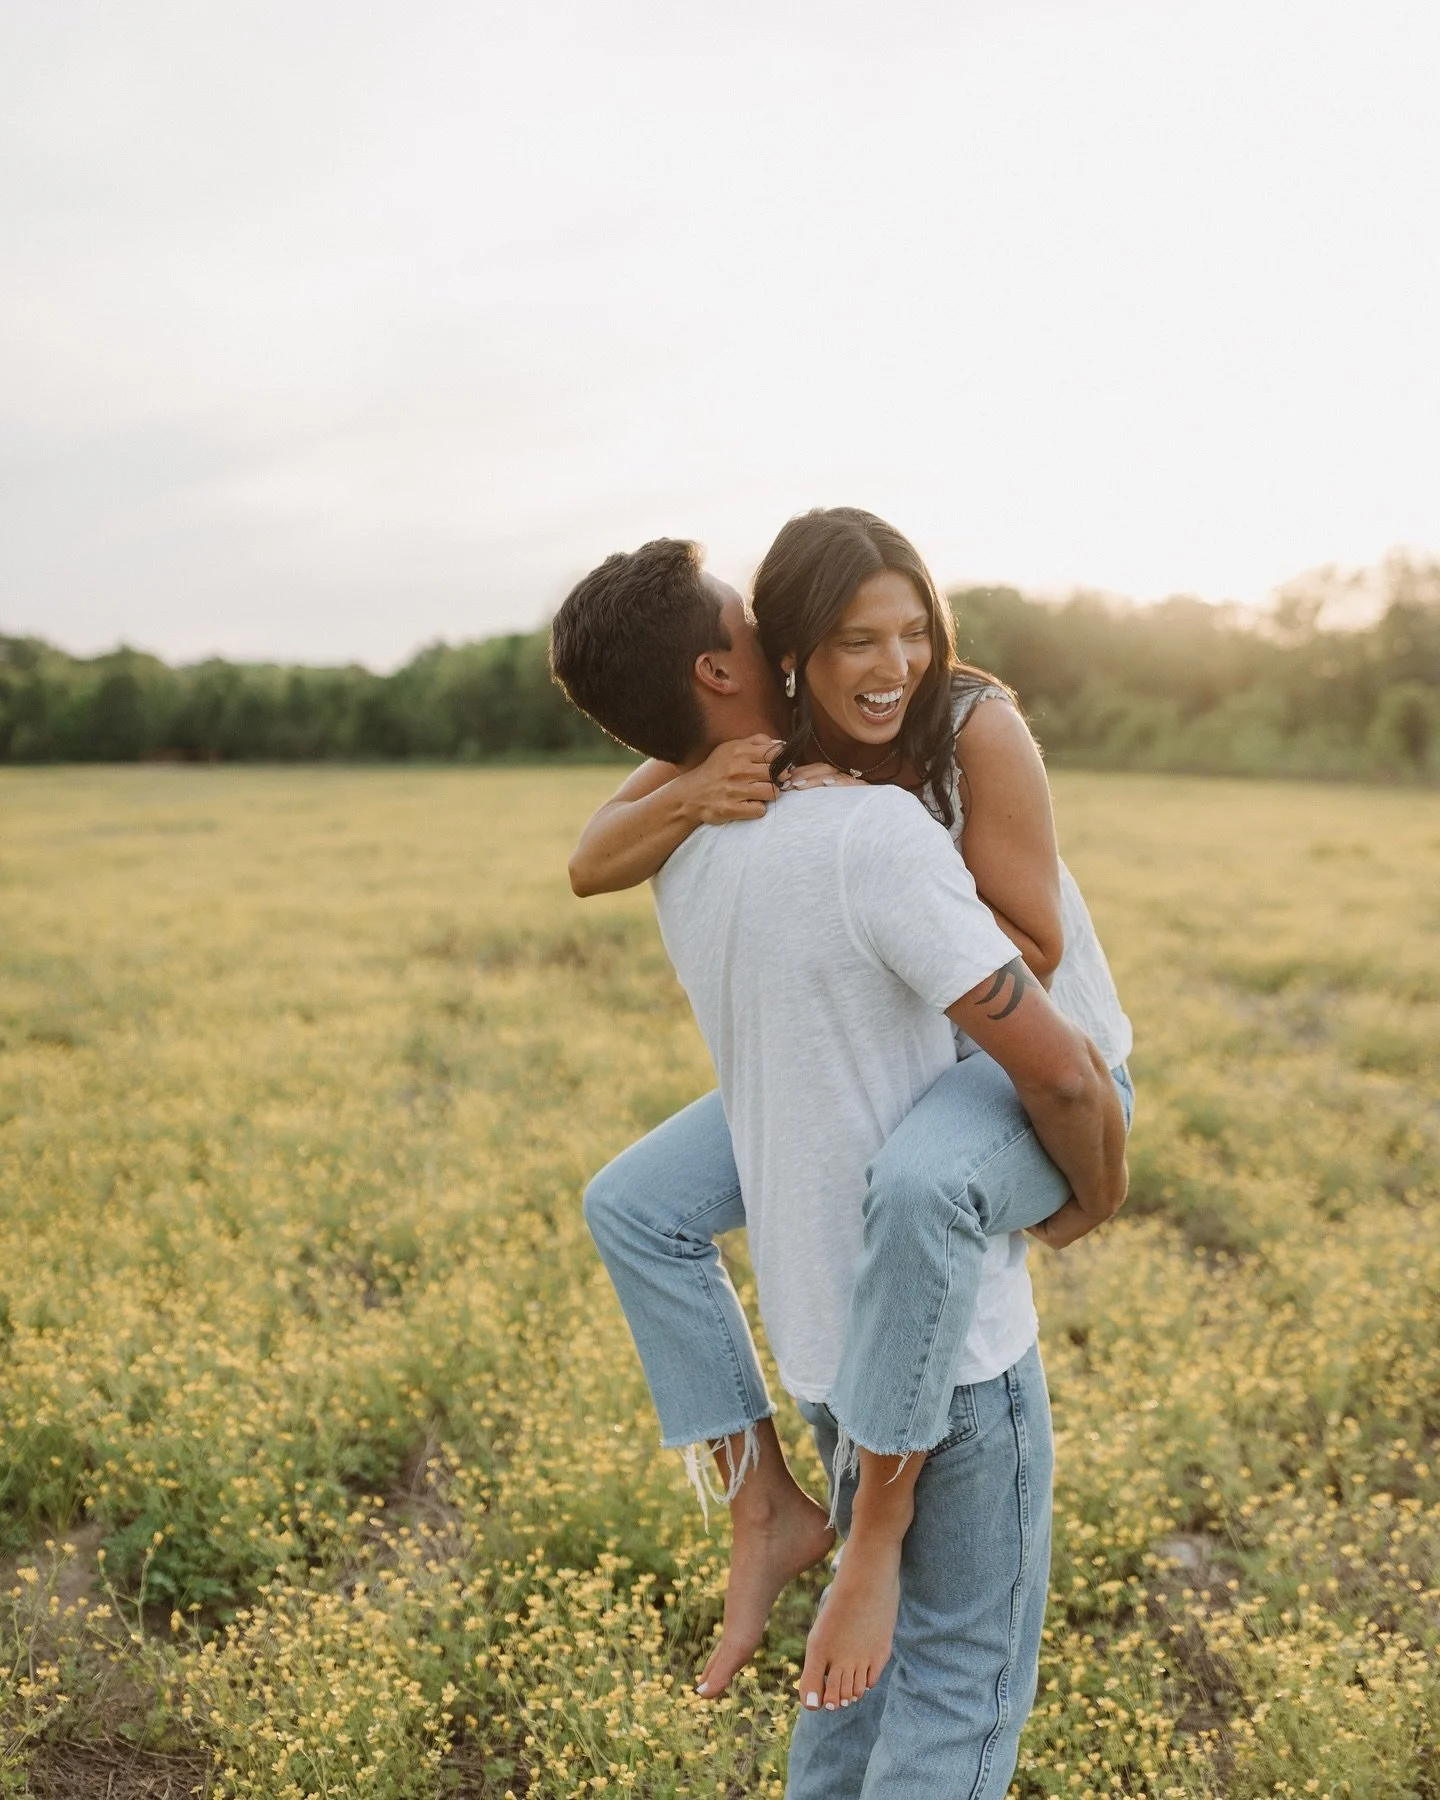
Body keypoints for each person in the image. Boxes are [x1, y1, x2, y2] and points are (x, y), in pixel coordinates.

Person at [549, 533, 1131, 1797]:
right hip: (923, 1053)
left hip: (1027, 1044)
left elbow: (1032, 961)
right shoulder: (740, 761)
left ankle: (833, 1522)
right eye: (845, 639)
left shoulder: (967, 726)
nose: (891, 664)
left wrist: (886, 864)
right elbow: (588, 857)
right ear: (755, 657)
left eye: (908, 631)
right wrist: (708, 793)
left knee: (918, 1182)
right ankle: (765, 1500)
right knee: (639, 1204)